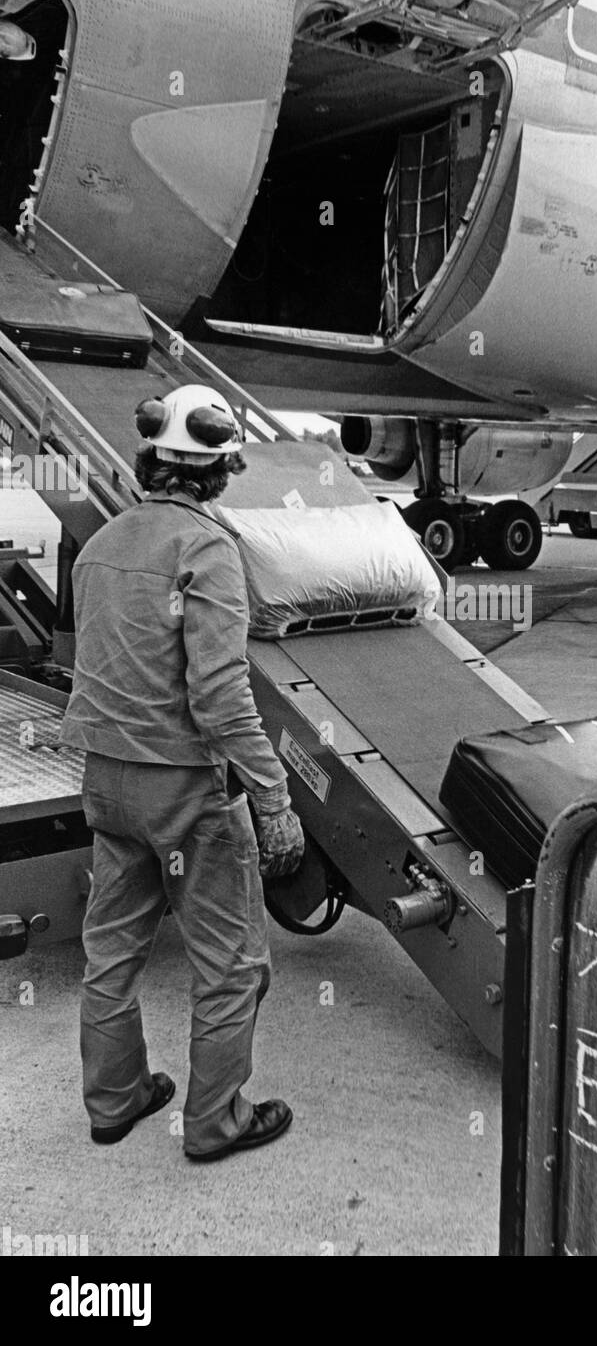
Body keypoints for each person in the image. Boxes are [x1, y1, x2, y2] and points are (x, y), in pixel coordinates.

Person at [60, 384, 305, 1160]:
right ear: (222, 471)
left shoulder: (98, 544)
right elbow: (221, 696)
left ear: (146, 463)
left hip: (106, 779)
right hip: (182, 790)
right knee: (232, 964)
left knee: (113, 947)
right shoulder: (206, 550)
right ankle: (215, 1122)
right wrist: (272, 794)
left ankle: (115, 1100)